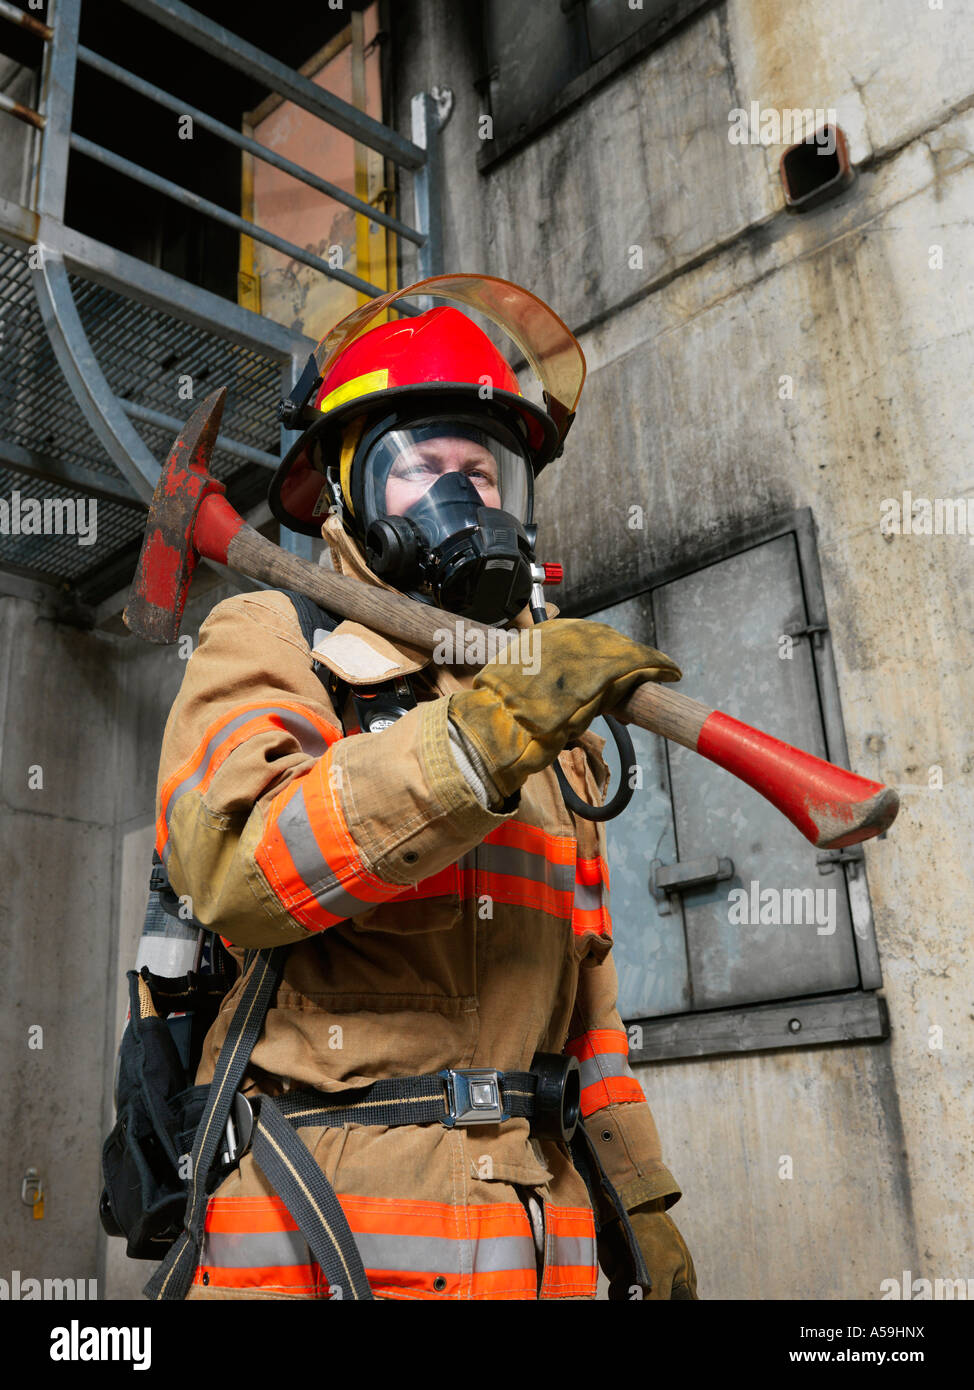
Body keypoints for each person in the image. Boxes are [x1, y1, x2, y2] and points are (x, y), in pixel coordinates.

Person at [154, 275, 698, 1300]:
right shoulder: (276, 640)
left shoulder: (551, 733)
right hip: (316, 1235)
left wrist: (642, 1198)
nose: (465, 496)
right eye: (424, 468)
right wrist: (474, 746)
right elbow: (237, 867)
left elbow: (588, 1012)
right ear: (351, 491)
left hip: (541, 1246)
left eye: (485, 473)